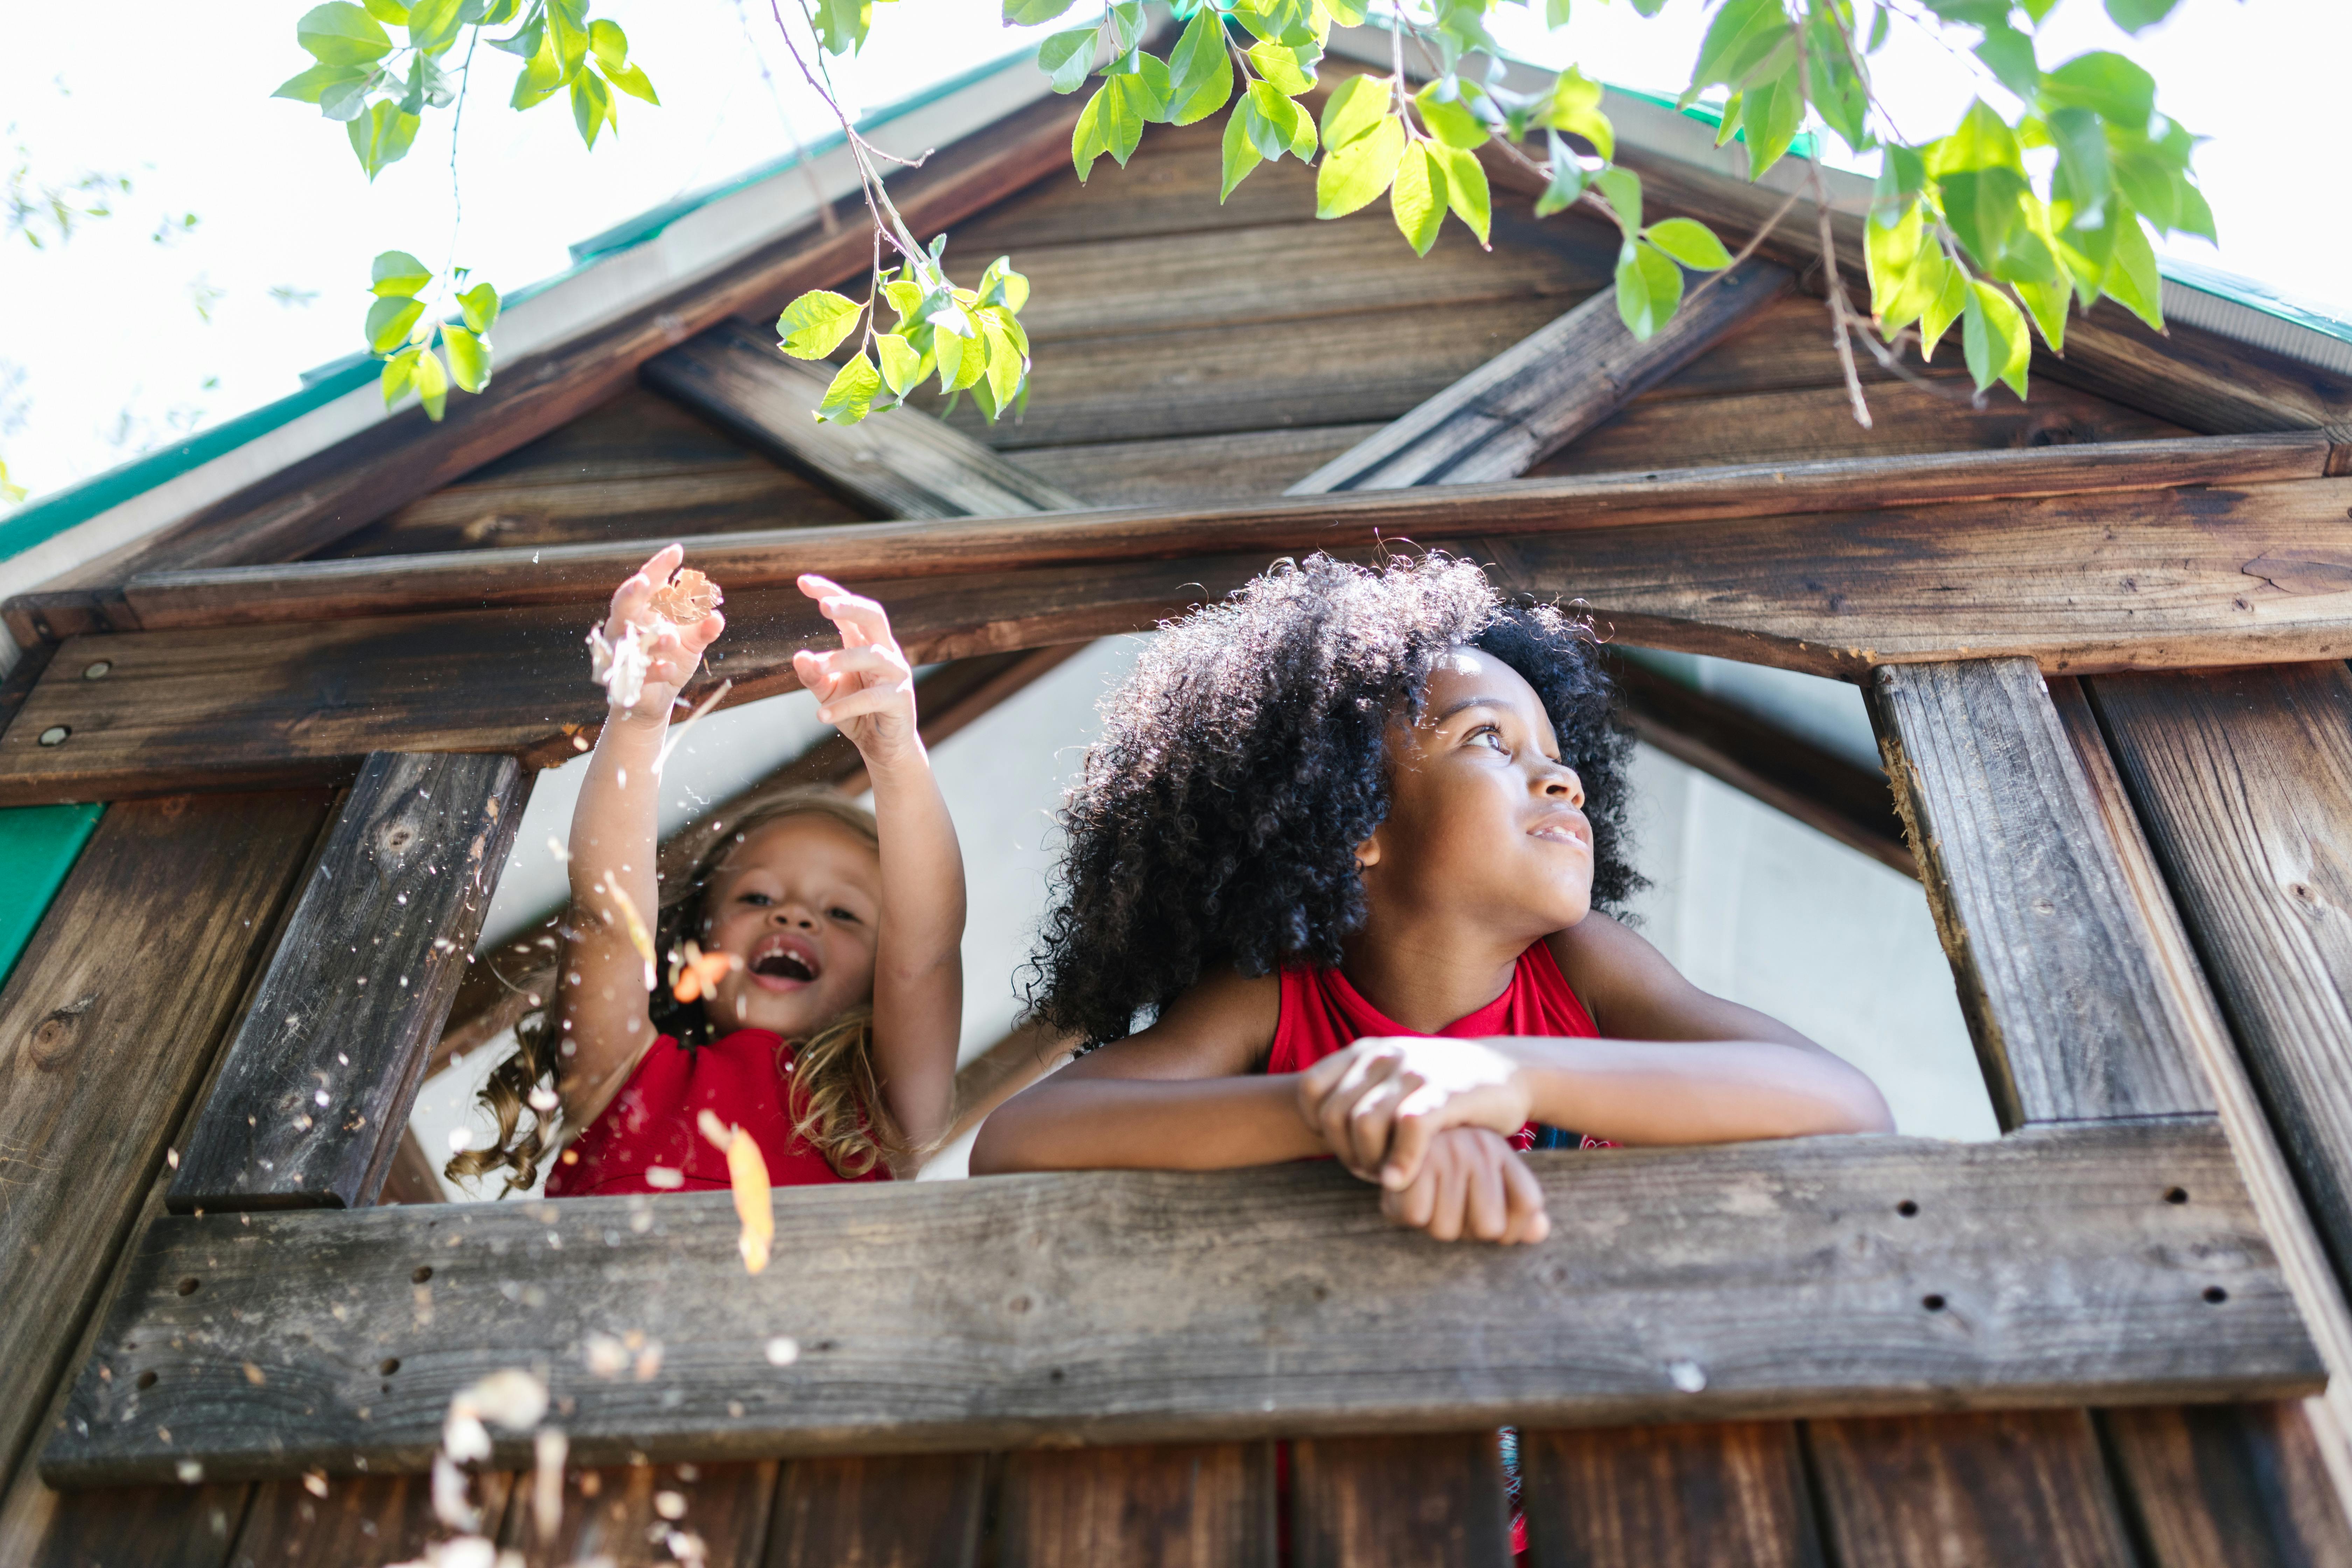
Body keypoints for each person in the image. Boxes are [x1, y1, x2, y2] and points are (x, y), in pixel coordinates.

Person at [971, 552, 1892, 1244]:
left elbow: (1845, 1104)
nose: (1561, 781)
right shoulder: (1275, 1001)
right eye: (1490, 740)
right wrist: (1343, 1110)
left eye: (1556, 755)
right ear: (1353, 822)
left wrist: (1503, 1079)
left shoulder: (1584, 969)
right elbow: (1017, 1137)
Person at [449, 545, 965, 1197]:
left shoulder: (886, 1117)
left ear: (880, 980)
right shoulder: (624, 1078)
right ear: (697, 936)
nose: (794, 915)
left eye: (843, 914)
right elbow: (610, 918)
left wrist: (895, 755)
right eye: (756, 896)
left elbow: (928, 954)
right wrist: (639, 719)